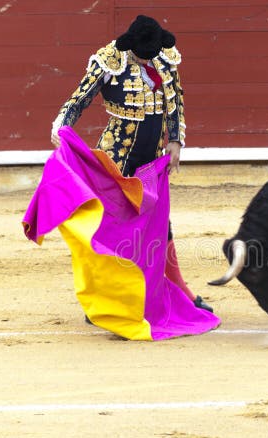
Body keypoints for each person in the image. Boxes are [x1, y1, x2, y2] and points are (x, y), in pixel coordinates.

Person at [50, 14, 212, 313]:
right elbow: (79, 99)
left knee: (161, 225)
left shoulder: (165, 59)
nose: (146, 59)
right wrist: (62, 124)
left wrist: (175, 141)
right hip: (116, 158)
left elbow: (175, 101)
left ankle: (177, 290)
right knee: (110, 226)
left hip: (151, 160)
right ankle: (104, 298)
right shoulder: (109, 60)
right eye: (141, 55)